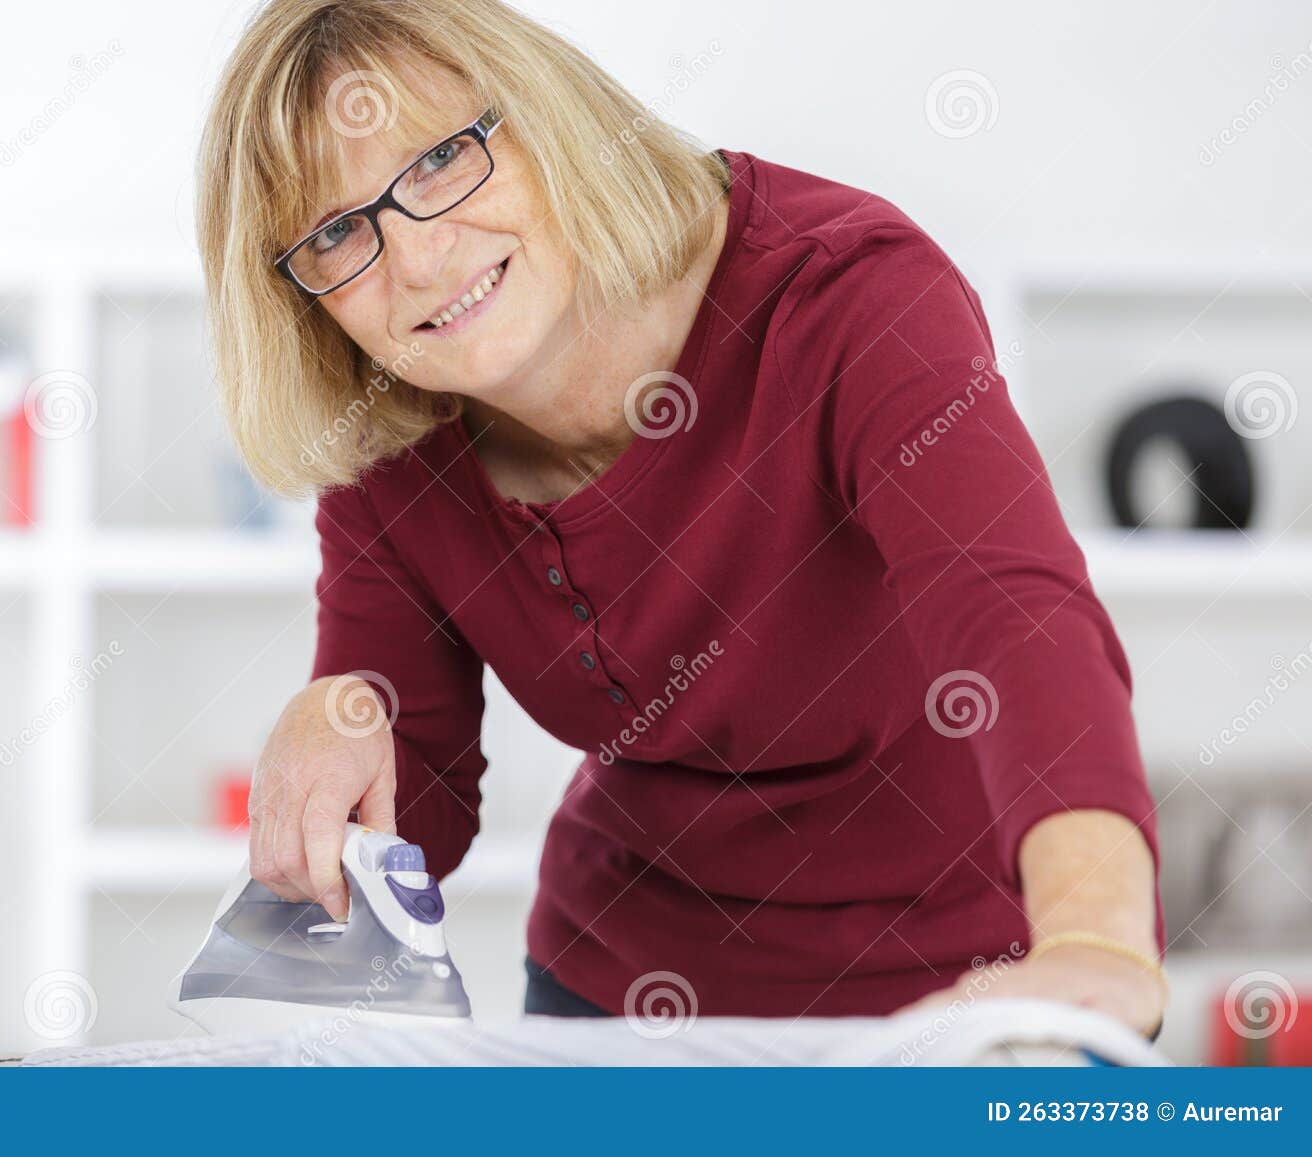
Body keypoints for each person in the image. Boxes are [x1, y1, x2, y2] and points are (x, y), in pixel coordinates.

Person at [195, 0, 1167, 1036]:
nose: (419, 261)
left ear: (543, 114)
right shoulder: (386, 430)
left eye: (439, 159)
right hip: (615, 999)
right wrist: (339, 734)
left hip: (959, 992)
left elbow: (1012, 615)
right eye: (340, 231)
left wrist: (1096, 934)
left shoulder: (845, 297)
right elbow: (421, 794)